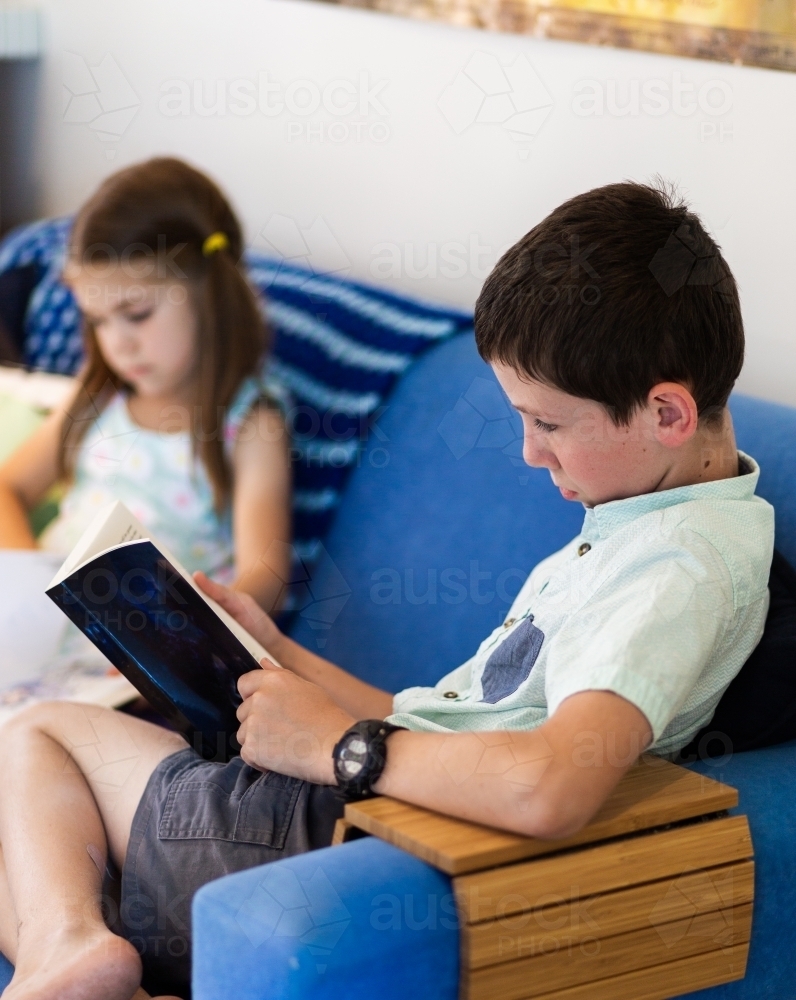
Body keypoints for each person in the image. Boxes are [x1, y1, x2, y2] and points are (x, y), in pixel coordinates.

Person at [0, 181, 774, 1000]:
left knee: (38, 737)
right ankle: (84, 957)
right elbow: (435, 722)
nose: (527, 454)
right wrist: (278, 650)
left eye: (547, 423)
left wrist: (337, 745)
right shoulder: (633, 524)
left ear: (667, 413)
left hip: (329, 831)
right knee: (34, 850)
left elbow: (552, 783)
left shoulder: (677, 564)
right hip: (345, 806)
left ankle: (77, 950)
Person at [0, 157, 291, 612]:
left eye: (137, 314)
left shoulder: (249, 423)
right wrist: (29, 582)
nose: (119, 345)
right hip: (48, 629)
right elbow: (8, 488)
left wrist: (207, 617)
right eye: (98, 321)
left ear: (209, 297)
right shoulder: (98, 393)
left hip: (145, 654)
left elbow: (267, 576)